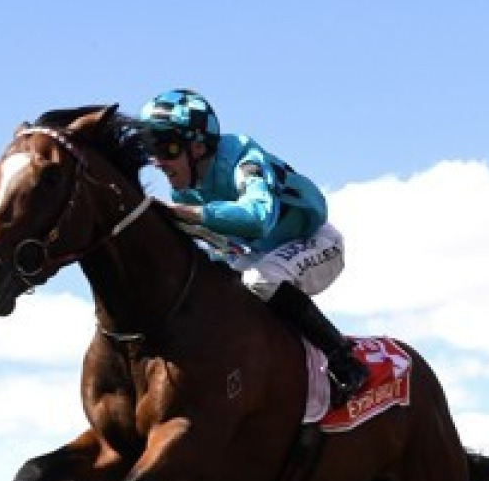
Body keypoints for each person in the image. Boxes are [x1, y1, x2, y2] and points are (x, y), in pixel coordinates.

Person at [139, 88, 367, 404]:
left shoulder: (243, 157)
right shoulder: (185, 191)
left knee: (261, 280)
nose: (158, 162)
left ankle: (343, 359)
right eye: (150, 149)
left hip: (315, 242)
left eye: (166, 148)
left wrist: (191, 214)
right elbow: (218, 249)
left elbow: (258, 218)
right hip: (260, 253)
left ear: (198, 145)